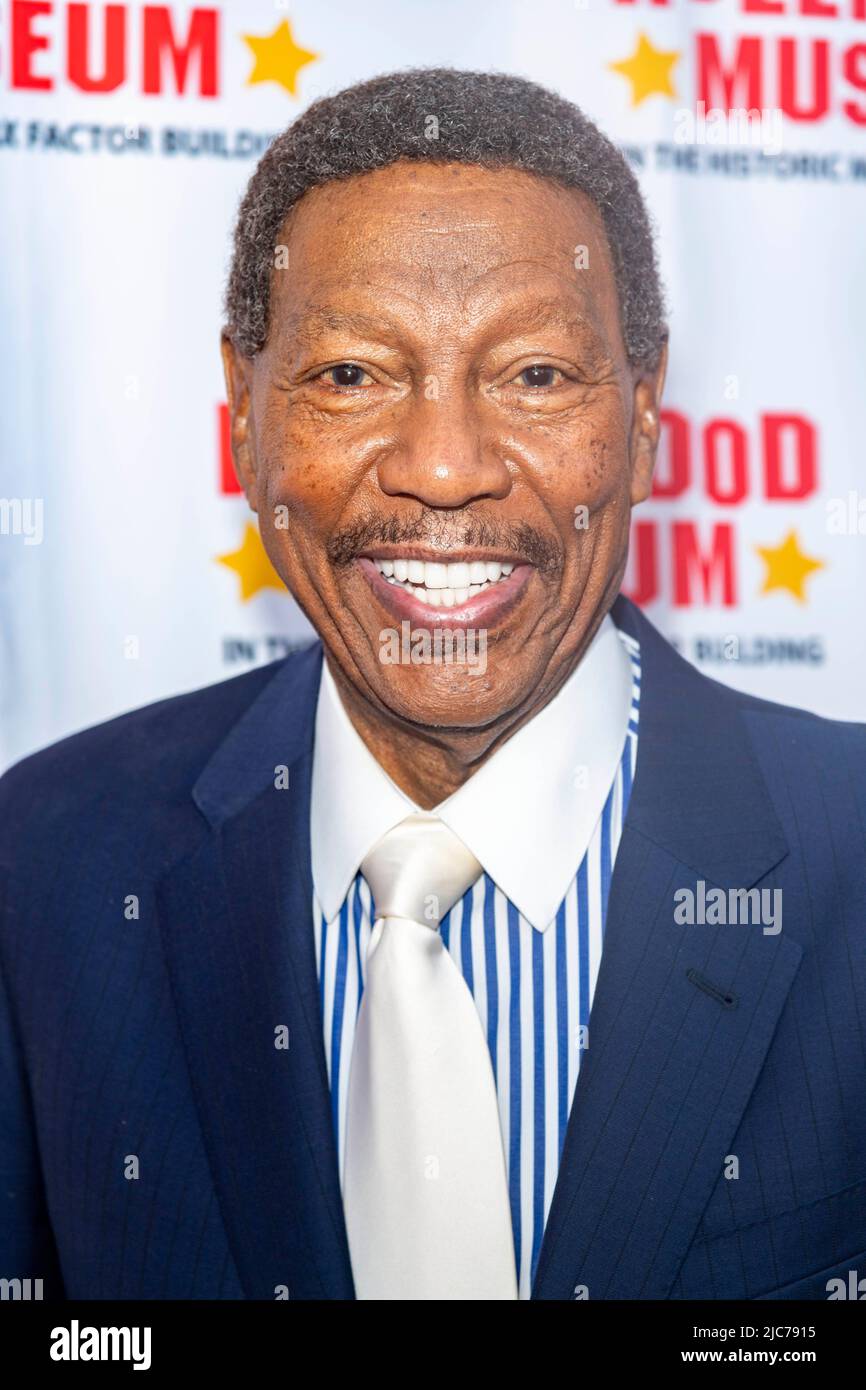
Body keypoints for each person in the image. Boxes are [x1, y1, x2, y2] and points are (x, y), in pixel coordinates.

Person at [1, 69, 864, 1302]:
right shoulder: (48, 865)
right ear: (244, 413)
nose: (444, 468)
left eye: (534, 376)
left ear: (642, 412)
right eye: (351, 374)